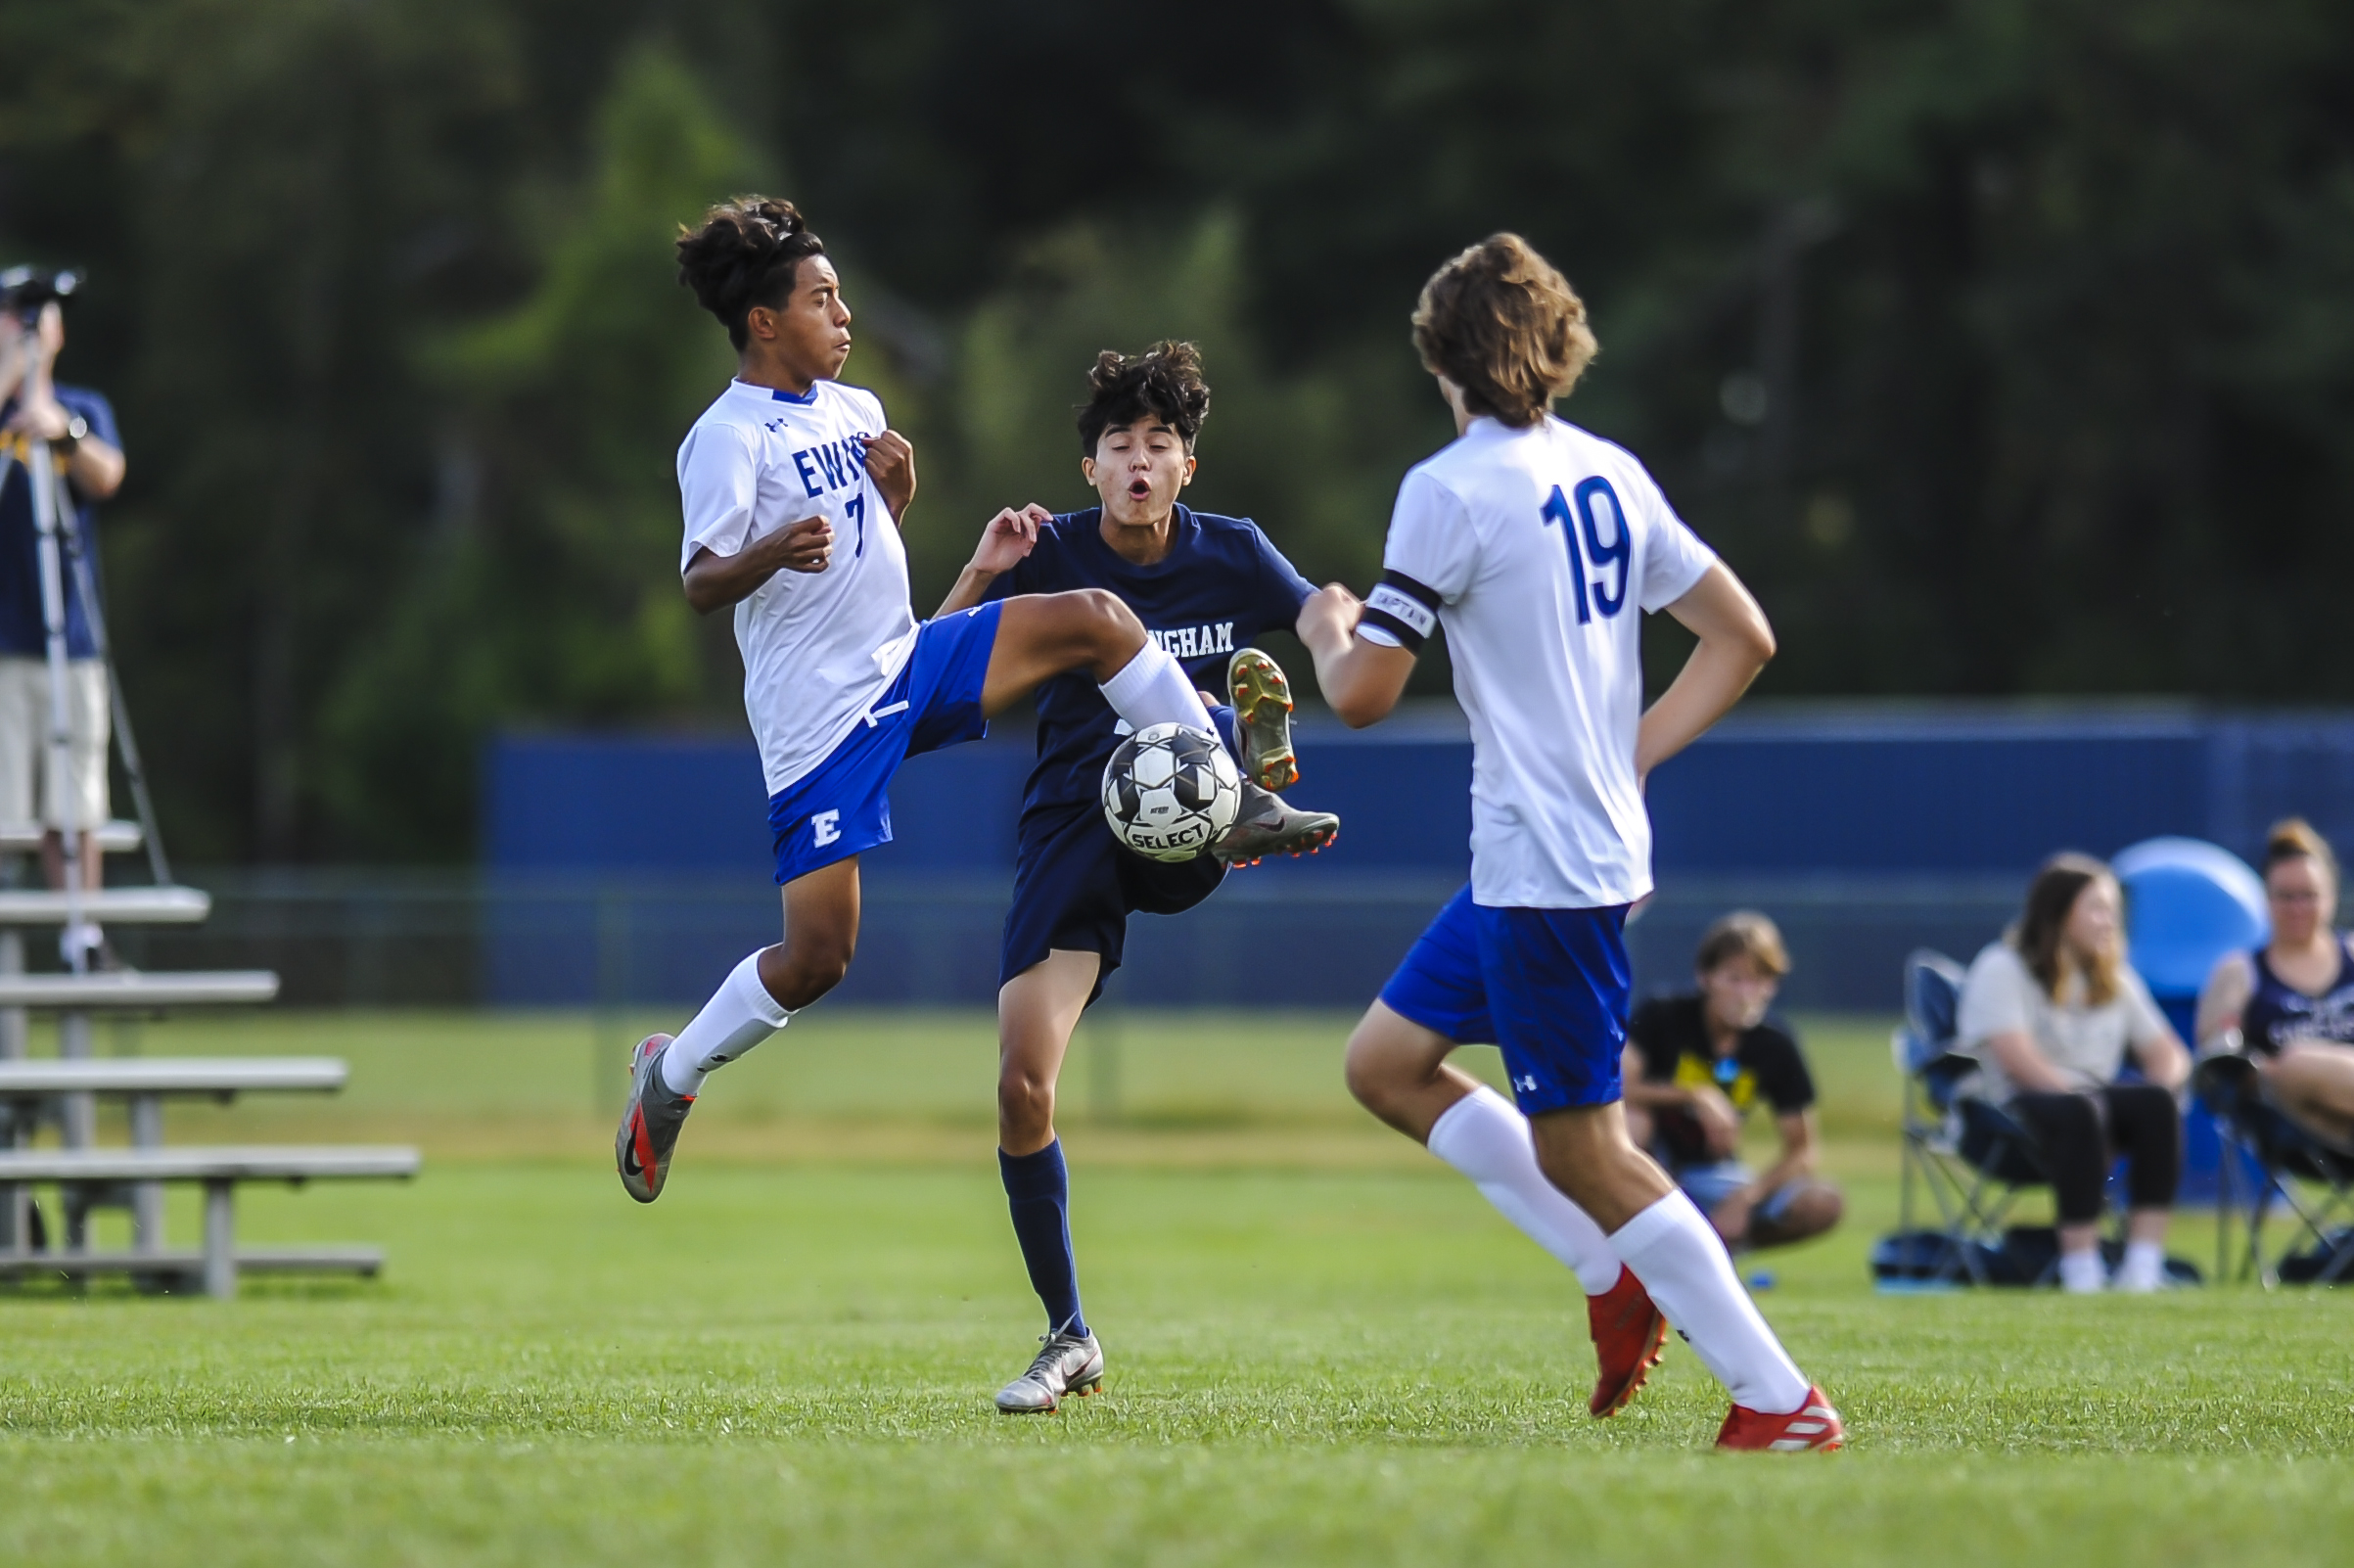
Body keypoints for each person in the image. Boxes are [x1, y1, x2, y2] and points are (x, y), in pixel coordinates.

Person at [613, 199, 1333, 1208]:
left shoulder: (854, 410)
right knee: (819, 957)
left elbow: (863, 585)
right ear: (764, 323)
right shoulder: (725, 439)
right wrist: (773, 549)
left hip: (901, 663)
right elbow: (699, 581)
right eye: (821, 300)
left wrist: (903, 513)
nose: (844, 315)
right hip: (819, 730)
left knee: (1093, 616)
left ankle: (1228, 780)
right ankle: (670, 1077)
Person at [1308, 233, 1841, 1451]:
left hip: (1546, 870)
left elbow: (1361, 695)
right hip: (1544, 857)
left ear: (1441, 359)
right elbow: (1741, 638)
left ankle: (1779, 1399)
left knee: (1588, 1151)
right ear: (1558, 348)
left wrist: (1327, 623)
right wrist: (1629, 757)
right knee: (1384, 1065)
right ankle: (1611, 1275)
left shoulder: (1447, 488)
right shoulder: (1609, 469)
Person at [931, 341, 1336, 1412]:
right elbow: (918, 677)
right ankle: (1068, 1336)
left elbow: (1319, 622)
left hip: (1175, 830)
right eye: (1120, 446)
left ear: (1187, 467)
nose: (1140, 463)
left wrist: (1343, 626)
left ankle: (1233, 772)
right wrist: (980, 568)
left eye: (1160, 445)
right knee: (1022, 1085)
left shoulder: (1232, 551)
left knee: (1186, 770)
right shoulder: (1049, 552)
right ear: (1090, 470)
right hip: (1072, 826)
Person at [1955, 853, 2191, 1293]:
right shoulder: (2002, 966)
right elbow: (2018, 1060)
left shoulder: (2114, 979)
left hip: (2089, 1109)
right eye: (2097, 909)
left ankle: (2141, 1268)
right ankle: (2082, 1269)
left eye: (2114, 912)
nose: (2109, 922)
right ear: (2058, 912)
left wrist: (2161, 1090)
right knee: (2082, 1109)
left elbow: (2170, 1054)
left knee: (2157, 1106)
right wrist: (2092, 1103)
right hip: (2009, 1112)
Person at [0, 271, 128, 968]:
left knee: (74, 798)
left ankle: (83, 937)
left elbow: (107, 476)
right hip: (3, 644)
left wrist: (60, 429)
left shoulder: (84, 408)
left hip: (70, 644)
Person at [1623, 911, 1844, 1251]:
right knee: (1632, 1121)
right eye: (1734, 979)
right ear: (1705, 977)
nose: (1746, 994)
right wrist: (1695, 1096)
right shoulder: (1664, 1014)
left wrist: (1747, 1198)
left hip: (1714, 1175)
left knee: (1823, 1202)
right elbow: (1618, 1089)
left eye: (1760, 981)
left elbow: (1803, 1149)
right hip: (1655, 1168)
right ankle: (1646, 1243)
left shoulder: (1775, 1044)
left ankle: (1718, 1249)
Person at [2195, 817, 2354, 1149]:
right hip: (2295, 1123)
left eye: (2309, 896)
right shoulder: (2240, 971)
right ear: (2265, 899)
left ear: (2331, 895)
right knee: (2295, 1064)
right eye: (2286, 897)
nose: (2298, 908)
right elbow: (2217, 1057)